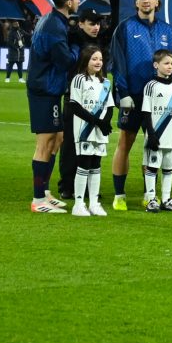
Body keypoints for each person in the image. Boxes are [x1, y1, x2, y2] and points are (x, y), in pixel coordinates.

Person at [109, 0, 172, 210]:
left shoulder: (167, 30)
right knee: (125, 143)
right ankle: (119, 195)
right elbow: (117, 63)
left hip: (159, 99)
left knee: (154, 146)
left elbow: (171, 66)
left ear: (157, 2)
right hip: (134, 96)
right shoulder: (125, 28)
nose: (146, 1)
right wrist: (124, 93)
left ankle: (150, 195)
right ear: (136, 3)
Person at [27, 0, 78, 212]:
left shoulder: (53, 21)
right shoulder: (54, 26)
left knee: (57, 138)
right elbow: (65, 60)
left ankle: (45, 192)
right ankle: (38, 200)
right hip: (44, 89)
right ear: (68, 2)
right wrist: (77, 48)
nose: (78, 2)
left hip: (50, 88)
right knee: (45, 142)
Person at [56, 5, 107, 202]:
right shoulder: (72, 40)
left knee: (92, 142)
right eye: (92, 23)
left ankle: (87, 186)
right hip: (75, 96)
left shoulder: (99, 42)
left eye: (98, 24)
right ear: (81, 24)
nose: (96, 27)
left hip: (96, 97)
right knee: (70, 142)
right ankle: (67, 185)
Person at [65, 46, 113, 216]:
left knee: (96, 165)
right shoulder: (78, 79)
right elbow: (74, 106)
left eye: (100, 59)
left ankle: (94, 203)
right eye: (94, 59)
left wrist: (105, 123)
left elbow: (110, 106)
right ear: (85, 61)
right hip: (84, 130)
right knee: (84, 164)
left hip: (99, 131)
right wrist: (97, 121)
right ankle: (78, 204)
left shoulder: (105, 82)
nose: (98, 62)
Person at [140, 49, 172, 213]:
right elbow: (146, 112)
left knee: (168, 168)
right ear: (156, 65)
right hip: (156, 136)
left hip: (171, 138)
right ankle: (151, 199)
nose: (170, 67)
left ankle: (166, 199)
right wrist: (151, 134)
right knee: (152, 167)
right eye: (166, 63)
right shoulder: (150, 86)